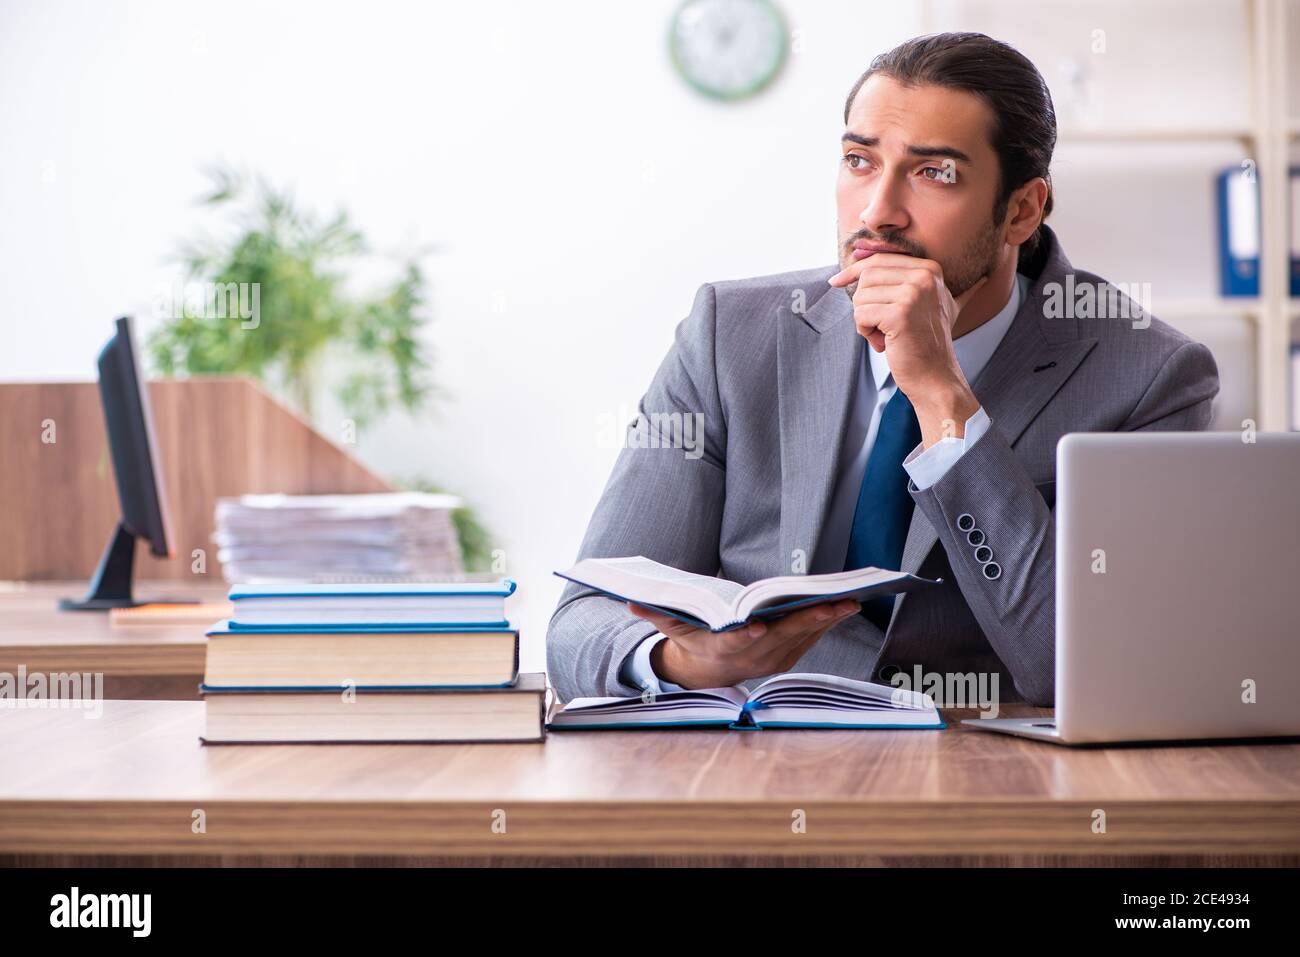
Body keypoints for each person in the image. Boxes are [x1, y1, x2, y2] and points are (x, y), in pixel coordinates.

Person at [547, 32, 1219, 706]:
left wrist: (942, 395)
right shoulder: (729, 334)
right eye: (859, 161)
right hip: (757, 767)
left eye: (934, 173)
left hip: (995, 781)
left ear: (1021, 210)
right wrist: (685, 660)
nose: (877, 211)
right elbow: (580, 626)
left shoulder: (1153, 376)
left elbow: (1099, 670)